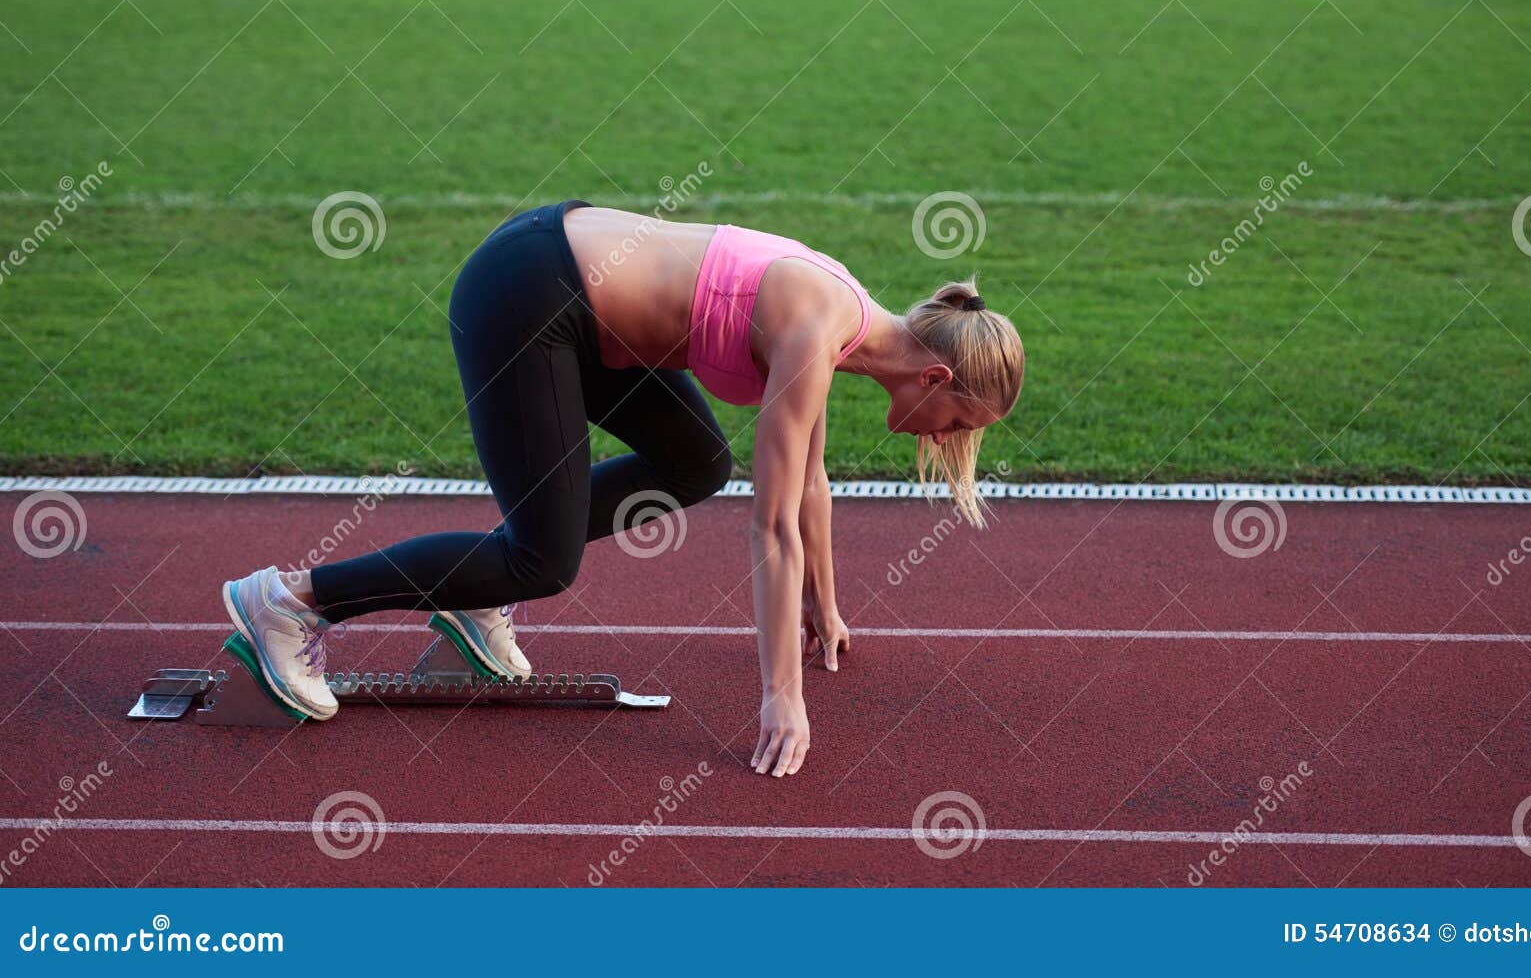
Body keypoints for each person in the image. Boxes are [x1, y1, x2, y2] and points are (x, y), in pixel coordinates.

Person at [221, 200, 1024, 777]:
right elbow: (772, 527)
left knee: (696, 462)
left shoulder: (844, 322)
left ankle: (472, 593)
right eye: (958, 422)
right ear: (933, 377)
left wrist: (826, 604)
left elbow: (810, 481)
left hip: (578, 301)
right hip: (530, 296)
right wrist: (781, 695)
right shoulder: (818, 327)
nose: (946, 440)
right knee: (542, 561)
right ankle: (293, 601)